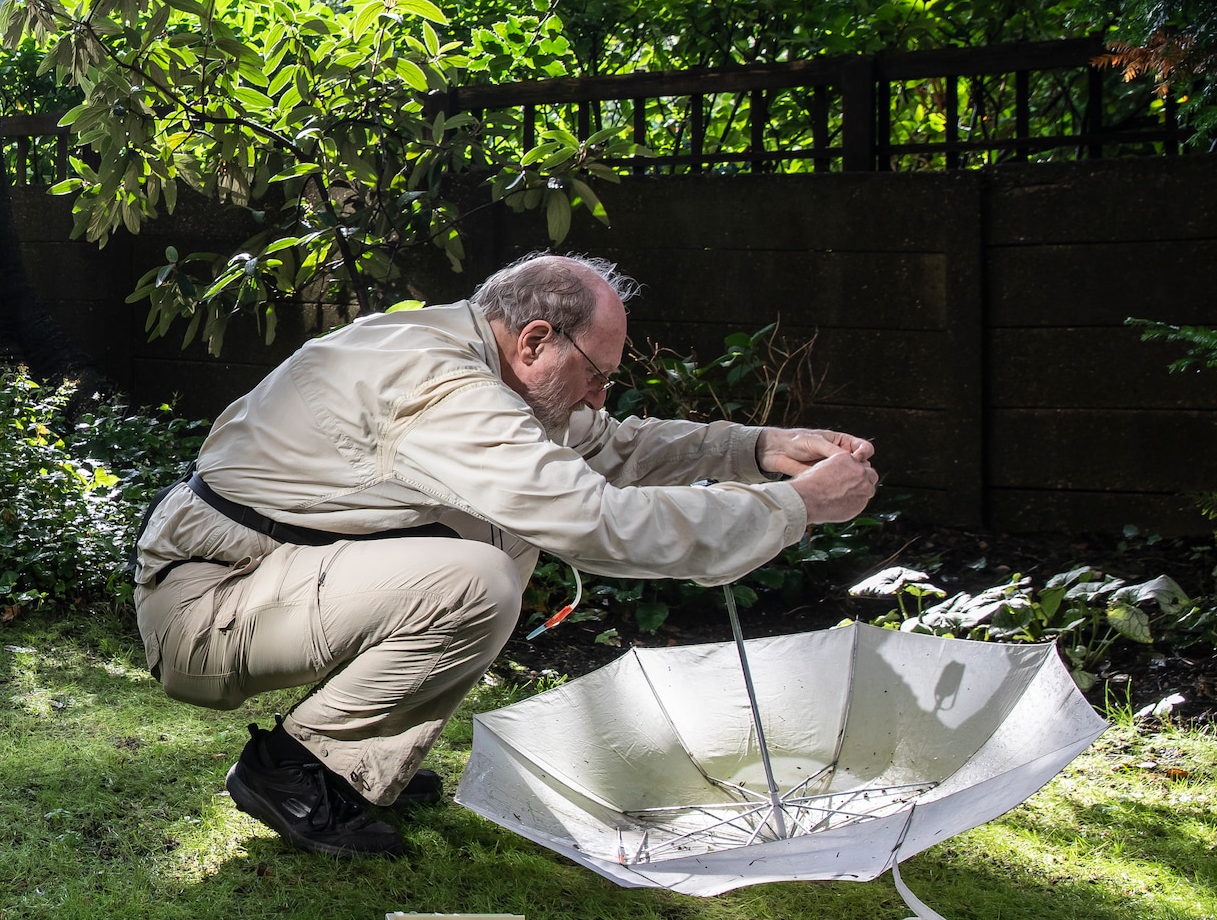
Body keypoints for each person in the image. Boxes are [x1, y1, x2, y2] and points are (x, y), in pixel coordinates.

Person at [133, 251, 881, 859]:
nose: (598, 398)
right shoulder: (442, 386)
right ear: (534, 341)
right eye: (598, 373)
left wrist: (760, 448)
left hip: (269, 578)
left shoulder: (477, 360)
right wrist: (800, 506)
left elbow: (610, 448)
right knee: (480, 576)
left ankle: (350, 761)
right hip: (206, 609)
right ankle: (294, 773)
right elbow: (593, 520)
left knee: (505, 531)